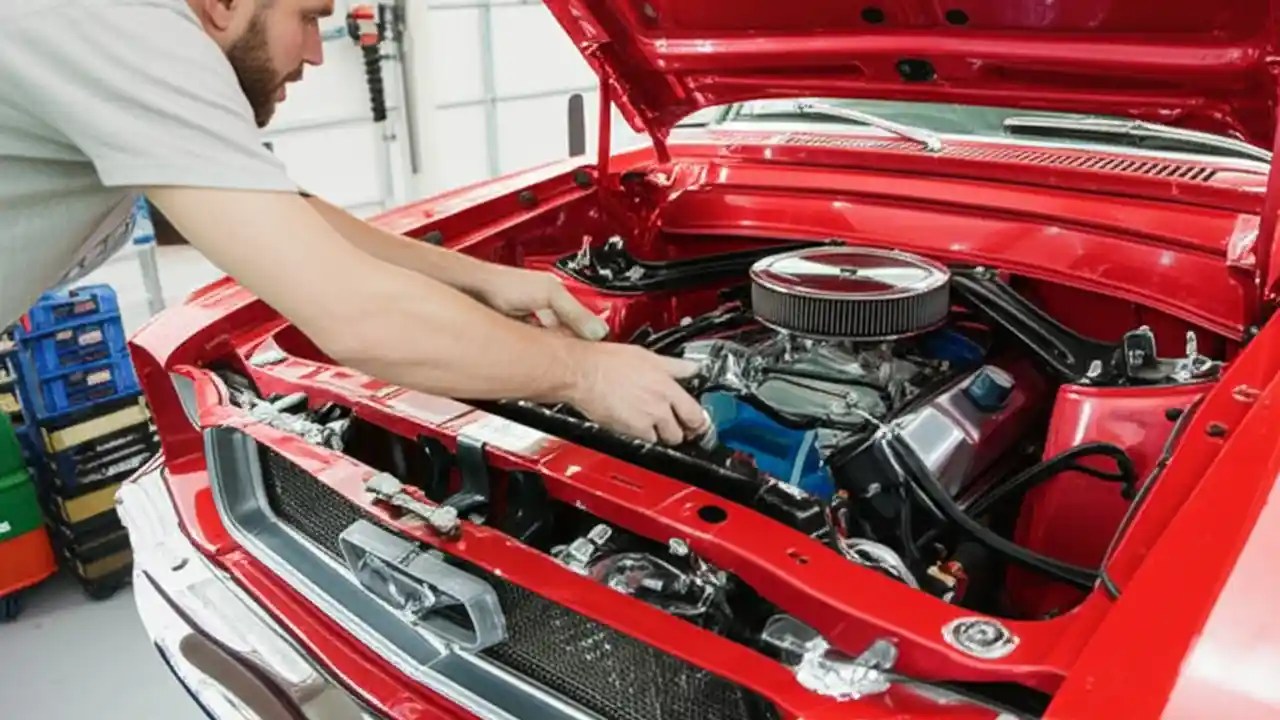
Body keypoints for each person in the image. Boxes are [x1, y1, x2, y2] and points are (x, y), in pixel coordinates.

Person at [0, 0, 709, 445]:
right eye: (308, 17)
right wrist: (585, 373)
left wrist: (484, 279)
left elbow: (290, 215)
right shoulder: (122, 25)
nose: (315, 52)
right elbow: (362, 319)